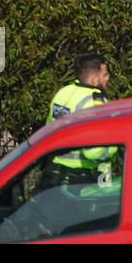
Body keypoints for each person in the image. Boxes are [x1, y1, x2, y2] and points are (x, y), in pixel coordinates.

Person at [43, 53, 113, 187]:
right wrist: (117, 144)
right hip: (81, 178)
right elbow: (95, 151)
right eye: (104, 75)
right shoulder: (94, 102)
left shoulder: (63, 92)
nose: (107, 79)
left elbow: (48, 128)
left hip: (53, 172)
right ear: (93, 79)